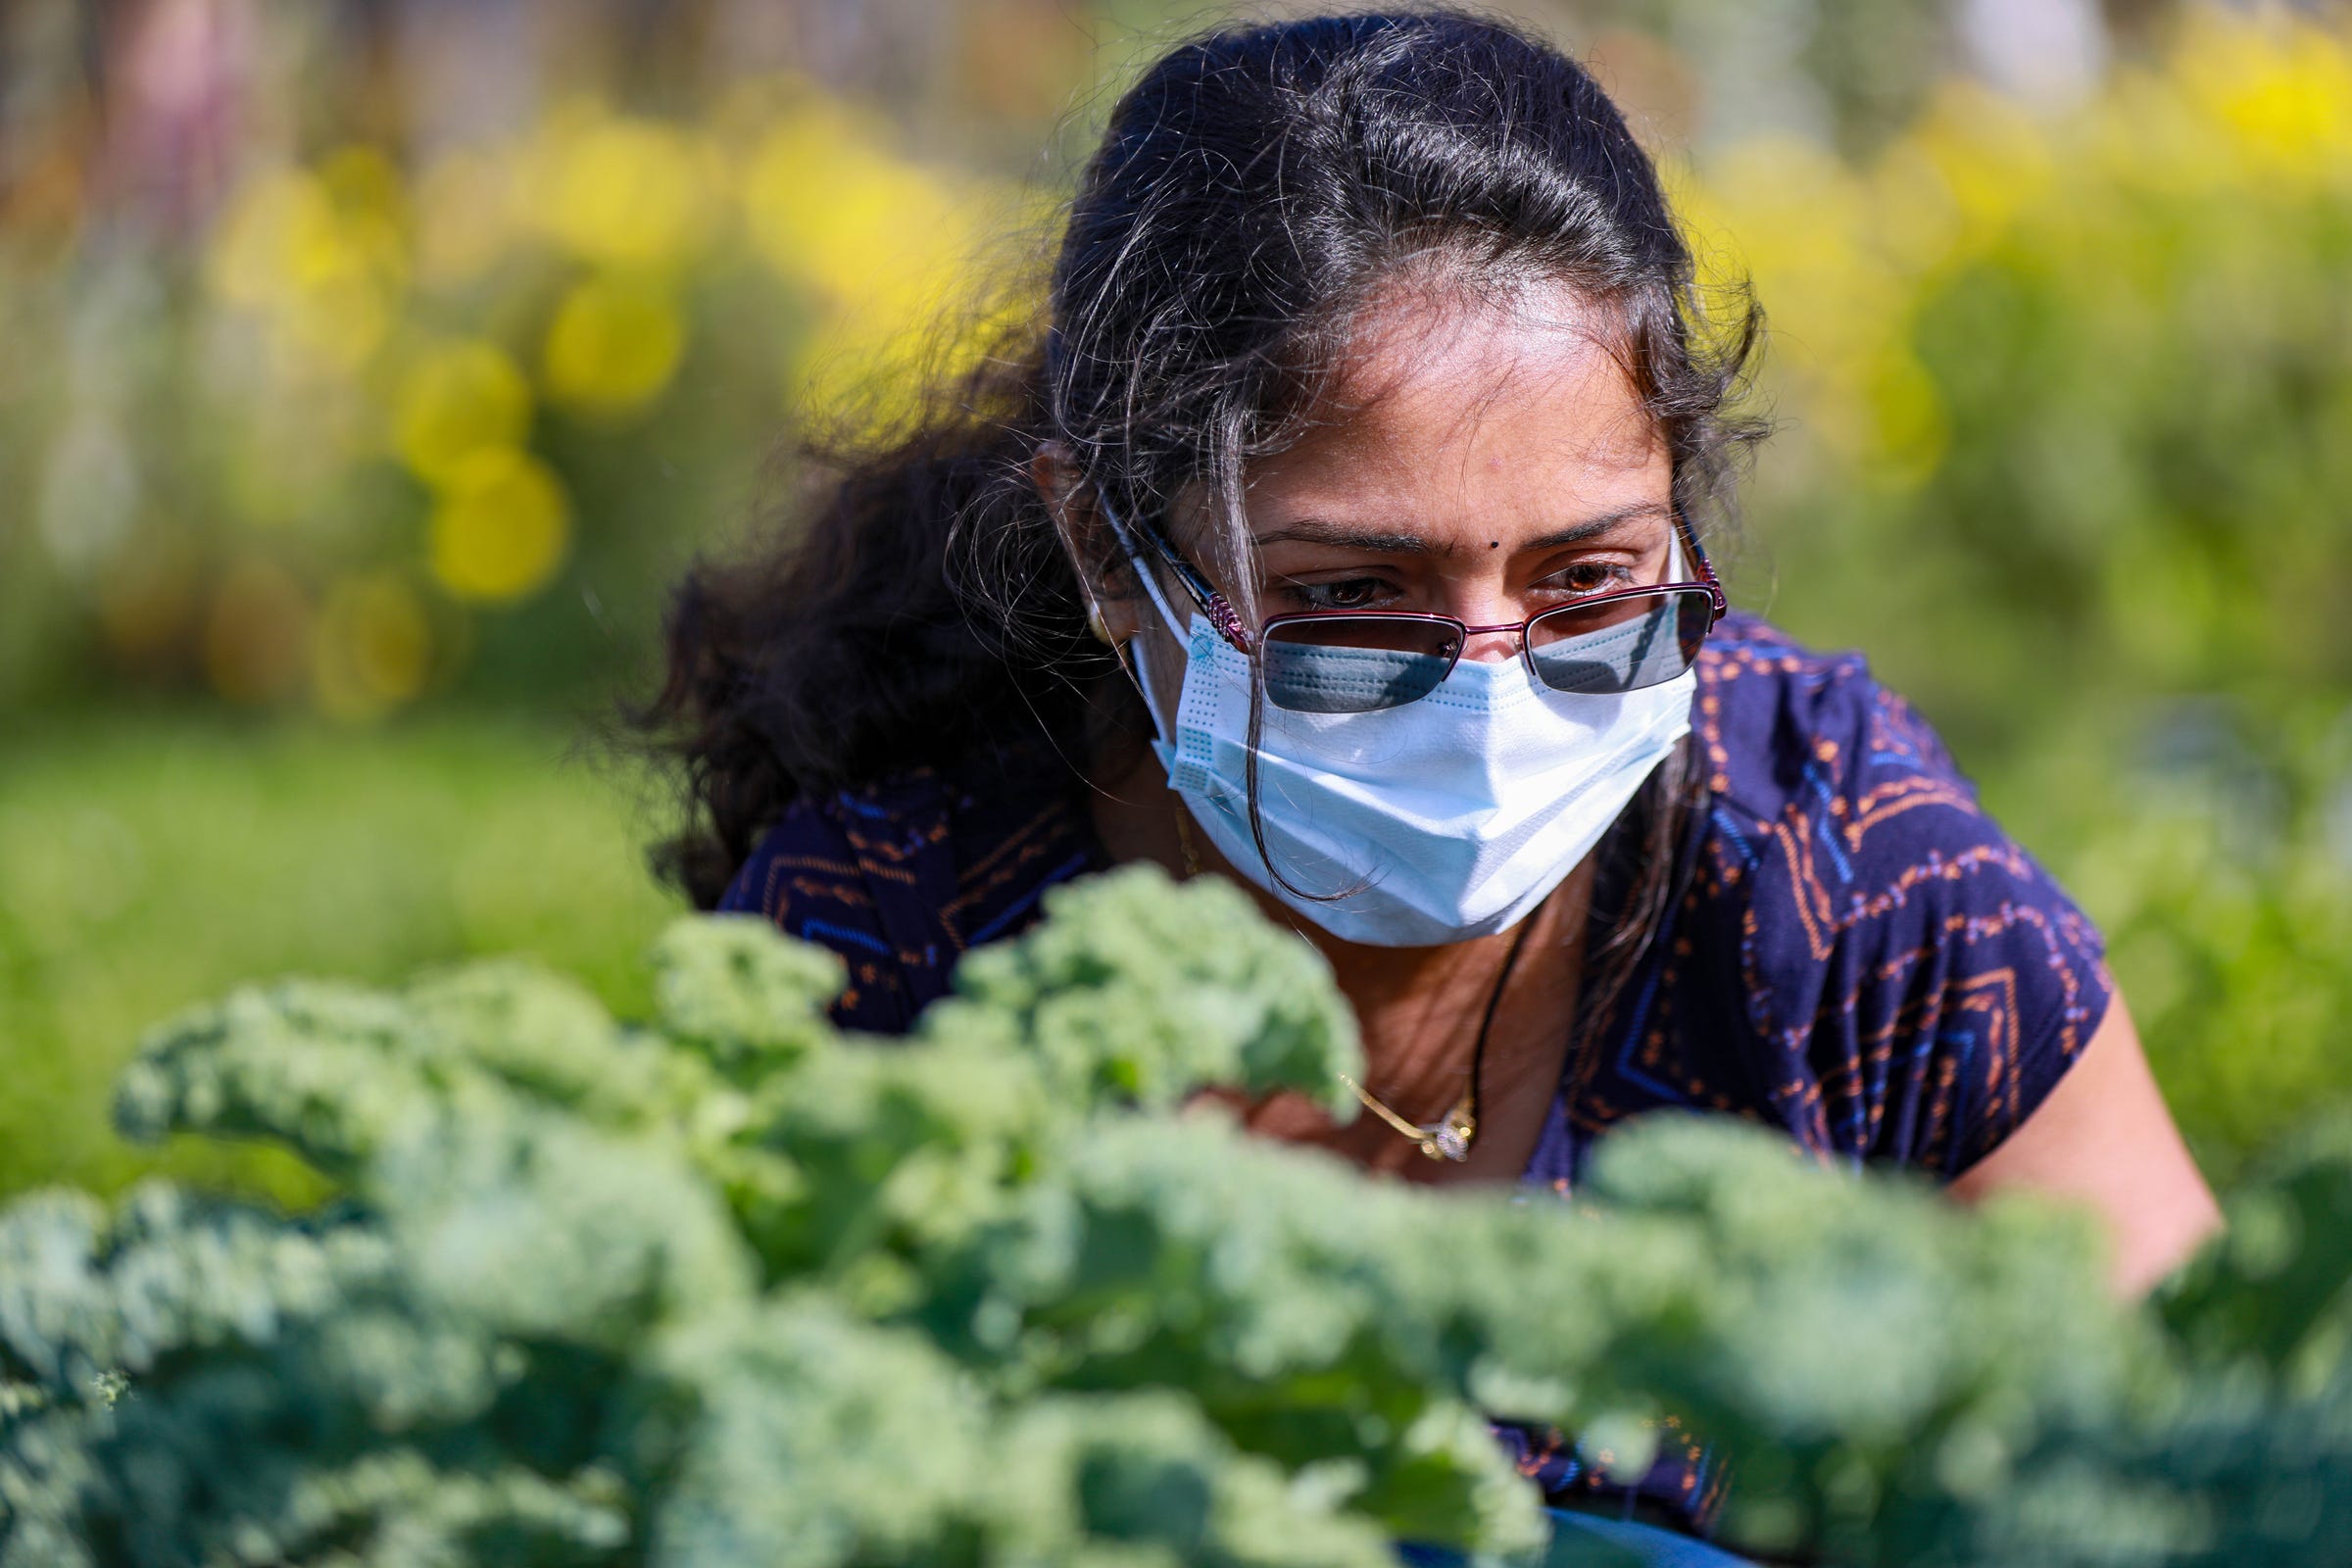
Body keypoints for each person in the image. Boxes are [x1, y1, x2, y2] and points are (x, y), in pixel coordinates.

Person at [634, 10, 2219, 1552]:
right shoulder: (905, 942)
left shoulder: (1835, 864)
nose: (1489, 687)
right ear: (1102, 548)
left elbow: (2204, 1458)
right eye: (1346, 595)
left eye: (1591, 581)